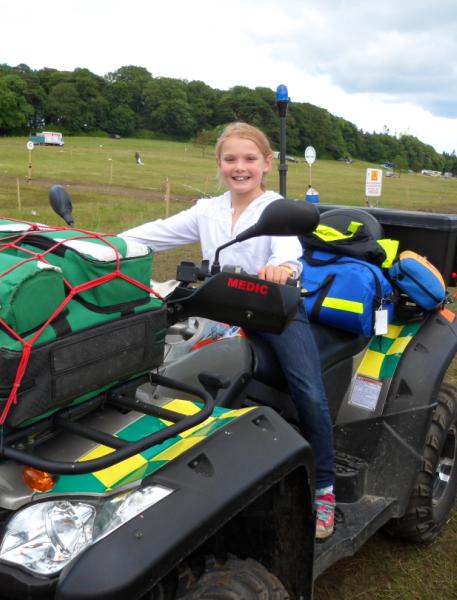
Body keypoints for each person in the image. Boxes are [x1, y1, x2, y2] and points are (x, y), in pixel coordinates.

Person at [121, 122, 336, 539]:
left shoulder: (276, 210)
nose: (241, 167)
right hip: (219, 308)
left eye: (250, 159)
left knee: (309, 392)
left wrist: (283, 270)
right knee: (163, 367)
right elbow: (156, 234)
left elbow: (290, 254)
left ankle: (324, 487)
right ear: (219, 164)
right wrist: (101, 242)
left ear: (267, 164)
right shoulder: (208, 210)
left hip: (274, 310)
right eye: (231, 159)